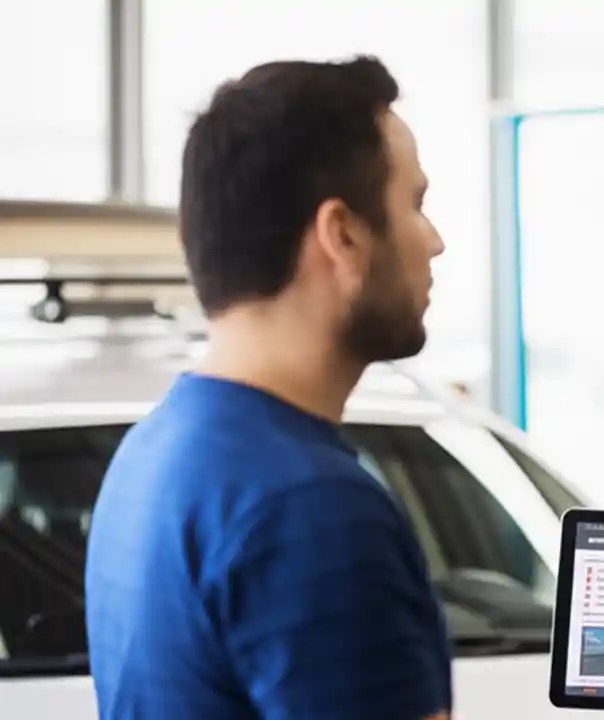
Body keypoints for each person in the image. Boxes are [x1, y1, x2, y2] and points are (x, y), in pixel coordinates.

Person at [84, 57, 452, 719]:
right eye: (415, 205)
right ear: (341, 235)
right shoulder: (313, 508)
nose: (436, 242)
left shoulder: (151, 453)